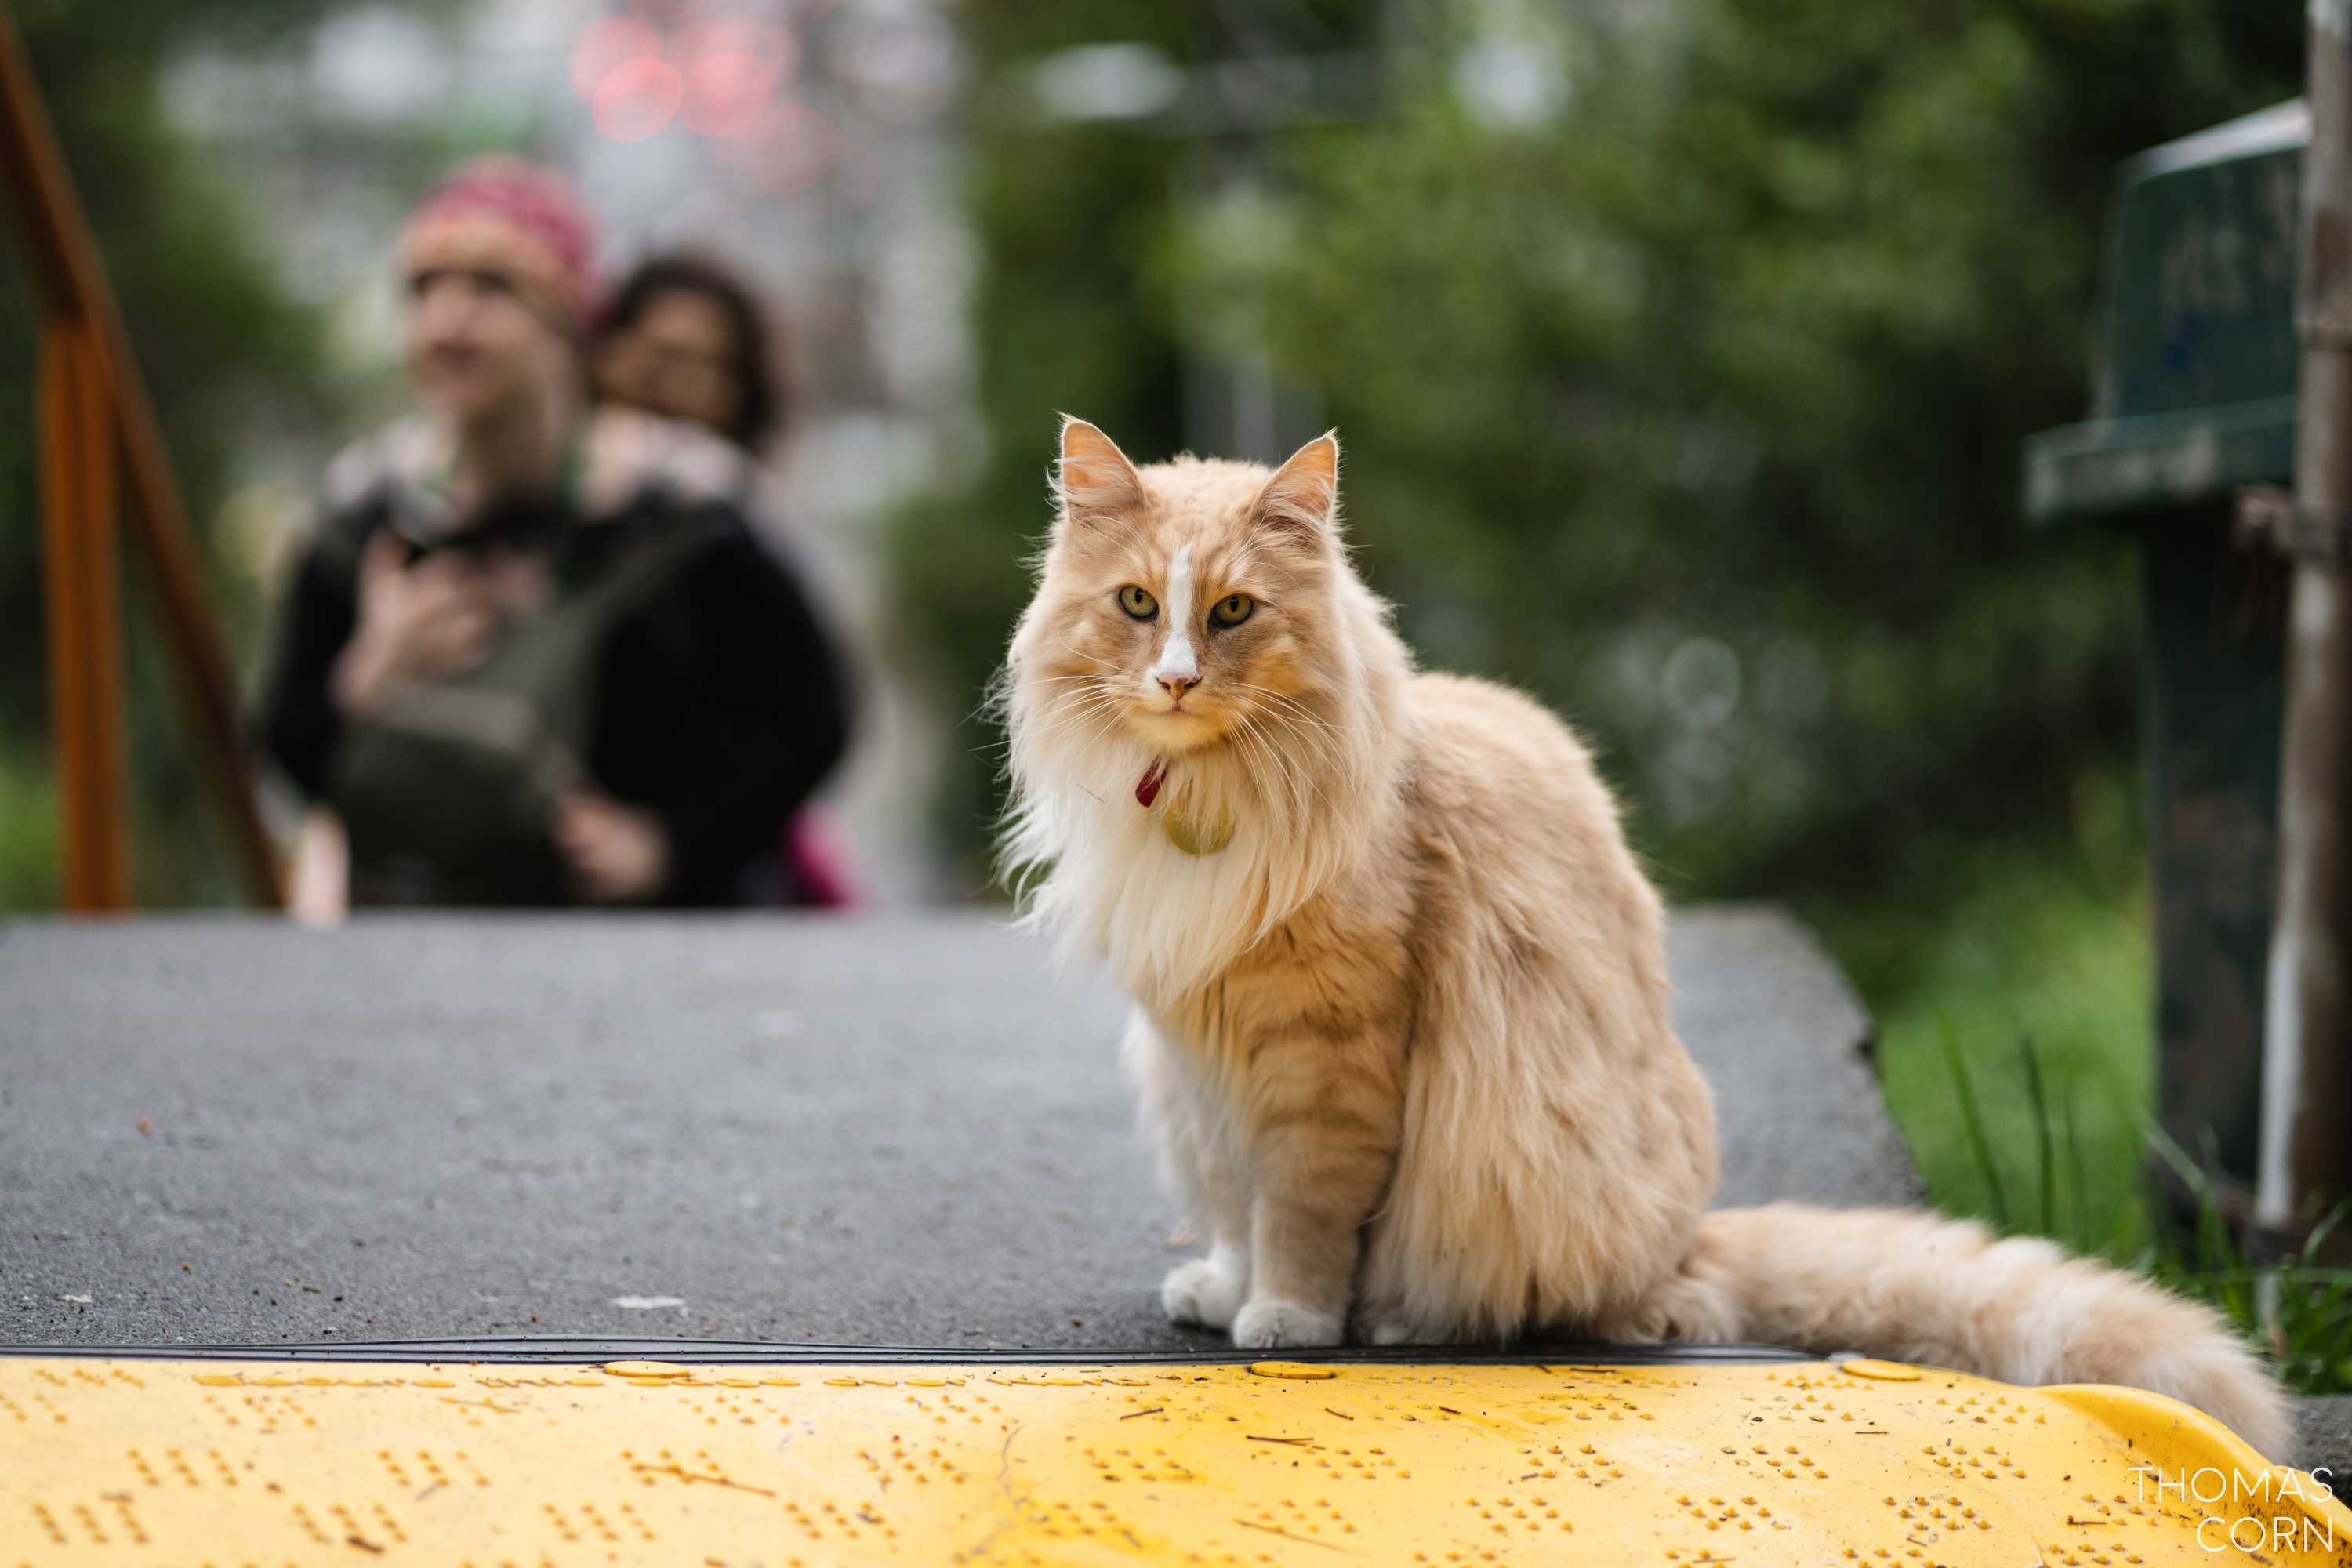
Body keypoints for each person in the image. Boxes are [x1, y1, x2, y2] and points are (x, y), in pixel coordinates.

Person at [256, 157, 851, 912]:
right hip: (429, 939)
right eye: (424, 291)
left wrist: (668, 843)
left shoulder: (685, 510)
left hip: (658, 946)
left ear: (567, 323)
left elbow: (812, 720)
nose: (446, 323)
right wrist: (363, 680)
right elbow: (290, 744)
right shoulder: (368, 512)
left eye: (490, 290)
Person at [590, 249, 858, 907]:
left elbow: (817, 721)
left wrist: (672, 844)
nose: (677, 388)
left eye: (709, 370)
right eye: (659, 357)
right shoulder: (542, 508)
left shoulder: (729, 530)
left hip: (704, 902)